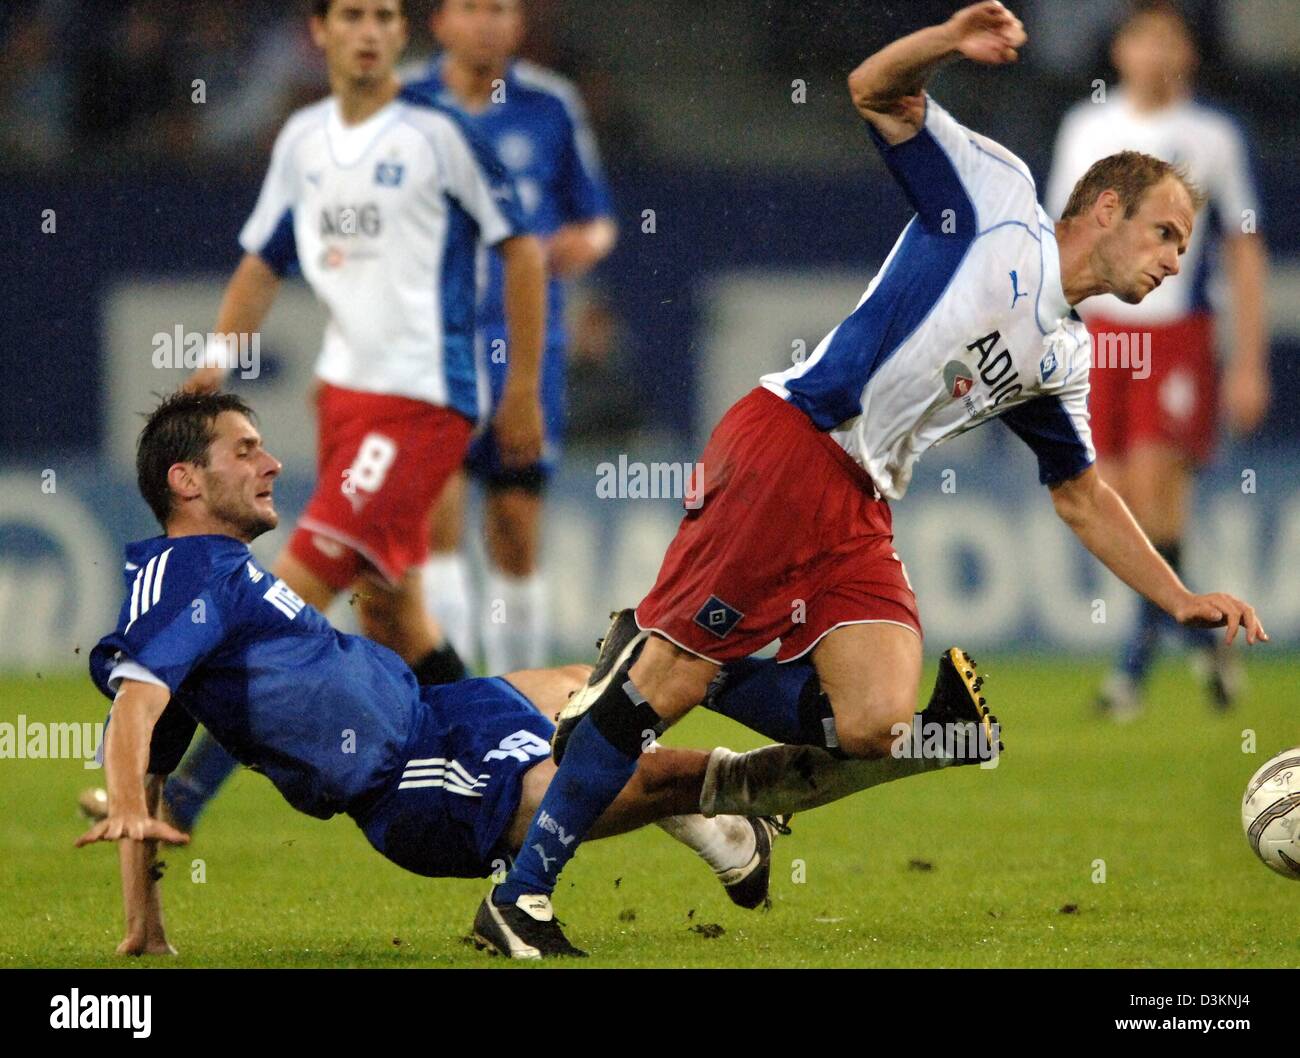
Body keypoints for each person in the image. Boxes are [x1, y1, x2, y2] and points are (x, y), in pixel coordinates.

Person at [479, 1, 1268, 958]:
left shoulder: (1063, 354)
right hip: (795, 442)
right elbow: (873, 90)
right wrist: (945, 42)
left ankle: (657, 648)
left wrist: (1178, 598)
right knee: (667, 687)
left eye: (1186, 246)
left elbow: (1080, 493)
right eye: (1167, 235)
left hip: (862, 500)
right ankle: (521, 896)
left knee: (885, 722)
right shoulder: (998, 198)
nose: (1177, 260)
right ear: (1106, 208)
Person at [75, 391, 804, 959]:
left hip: (438, 713)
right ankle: (783, 778)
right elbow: (137, 710)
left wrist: (145, 925)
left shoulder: (220, 571)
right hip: (413, 784)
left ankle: (731, 839)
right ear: (185, 480)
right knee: (634, 768)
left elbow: (154, 761)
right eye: (245, 451)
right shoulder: (179, 581)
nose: (271, 464)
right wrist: (126, 807)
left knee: (599, 687)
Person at [152, 0, 548, 831]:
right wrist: (219, 358)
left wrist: (520, 391)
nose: (368, 31)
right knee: (391, 609)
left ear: (402, 36)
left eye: (383, 17)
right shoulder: (301, 141)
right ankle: (531, 754)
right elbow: (264, 259)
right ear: (320, 33)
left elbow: (523, 248)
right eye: (351, 16)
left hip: (422, 400)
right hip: (344, 399)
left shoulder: (439, 135)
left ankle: (182, 794)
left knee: (290, 583)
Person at [1044, 0, 1270, 720]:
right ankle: (1208, 642)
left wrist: (1248, 360)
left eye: (1169, 39)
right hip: (1101, 337)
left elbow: (1244, 245)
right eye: (1143, 38)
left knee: (1150, 493)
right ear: (1121, 51)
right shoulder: (1088, 128)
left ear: (1188, 54)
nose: (1155, 53)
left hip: (1174, 337)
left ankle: (1128, 679)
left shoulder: (1213, 137)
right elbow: (1061, 233)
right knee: (1117, 504)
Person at [412, 0, 617, 673]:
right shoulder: (406, 103)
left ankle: (522, 701)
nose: (488, 23)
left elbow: (596, 219)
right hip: (428, 342)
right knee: (436, 523)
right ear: (440, 22)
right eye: (472, 8)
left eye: (500, 9)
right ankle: (454, 703)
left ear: (519, 24)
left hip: (524, 347)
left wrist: (581, 244)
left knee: (514, 528)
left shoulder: (549, 105)